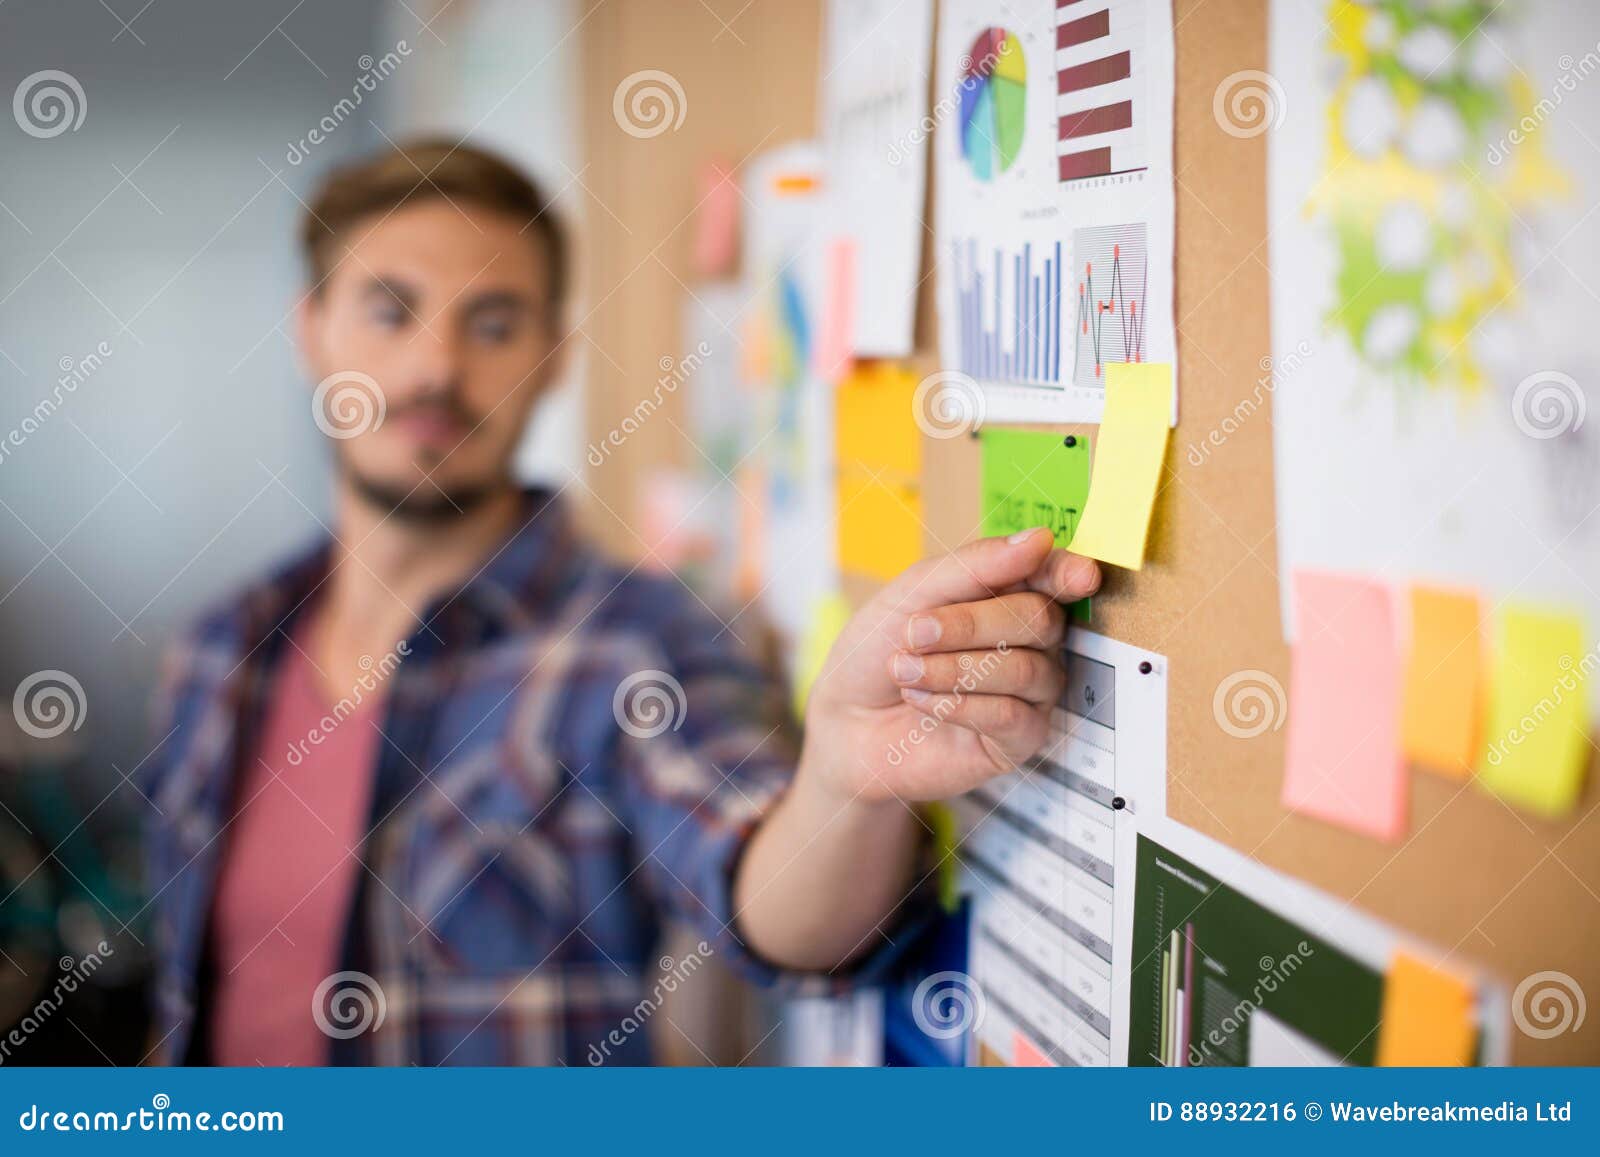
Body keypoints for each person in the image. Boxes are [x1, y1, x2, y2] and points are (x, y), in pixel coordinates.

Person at [141, 139, 1100, 1065]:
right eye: (391, 312)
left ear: (552, 356)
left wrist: (845, 784)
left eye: (492, 322)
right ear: (312, 330)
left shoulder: (637, 645)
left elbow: (769, 903)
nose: (436, 367)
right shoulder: (218, 652)